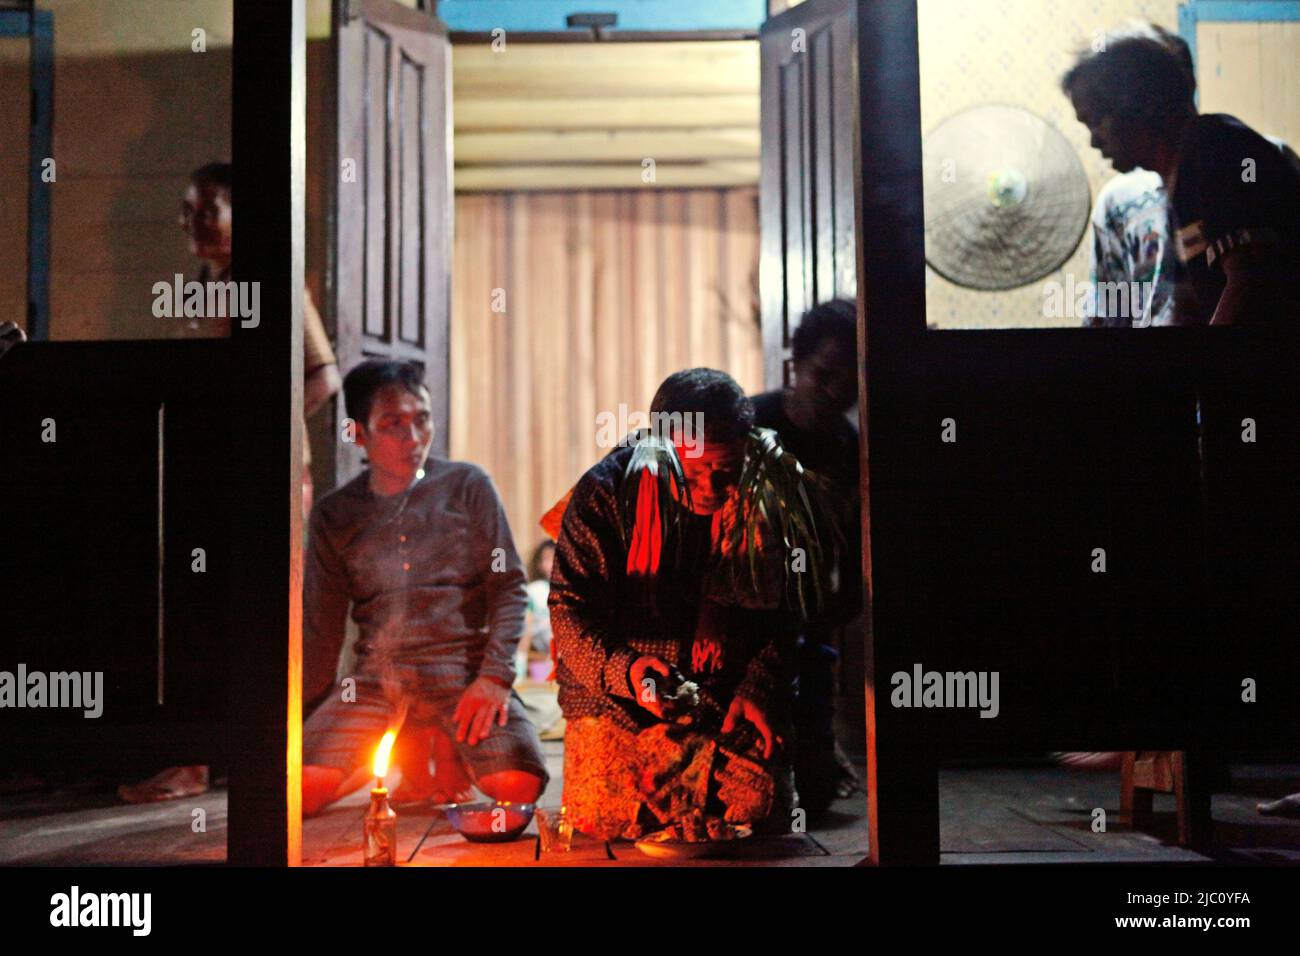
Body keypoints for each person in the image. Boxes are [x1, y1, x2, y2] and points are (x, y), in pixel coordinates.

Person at [118, 162, 342, 804]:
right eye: (186, 209)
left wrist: (258, 430)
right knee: (196, 608)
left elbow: (323, 377)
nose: (191, 221)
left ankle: (253, 760)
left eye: (207, 208)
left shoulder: (273, 281)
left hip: (262, 476)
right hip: (206, 469)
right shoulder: (203, 283)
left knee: (256, 614)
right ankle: (197, 757)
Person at [550, 369, 808, 840]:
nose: (711, 488)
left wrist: (757, 686)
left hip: (722, 693)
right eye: (692, 473)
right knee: (609, 820)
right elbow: (570, 613)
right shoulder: (606, 495)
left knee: (756, 811)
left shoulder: (765, 494)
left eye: (725, 471)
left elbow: (787, 611)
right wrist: (630, 671)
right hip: (619, 697)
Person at [300, 360, 547, 816]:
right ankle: (399, 751)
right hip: (377, 684)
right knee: (294, 795)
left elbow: (510, 587)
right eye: (393, 424)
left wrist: (494, 678)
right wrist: (305, 717)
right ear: (358, 433)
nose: (413, 439)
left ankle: (444, 745)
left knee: (518, 788)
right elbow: (321, 627)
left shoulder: (467, 486)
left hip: (465, 675)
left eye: (422, 419)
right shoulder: (337, 514)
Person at [1063, 22, 1300, 327]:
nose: (1095, 141)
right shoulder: (1182, 172)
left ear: (1135, 104)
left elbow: (1250, 280)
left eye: (1095, 120)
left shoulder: (1215, 148)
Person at [749, 300, 863, 812]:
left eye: (852, 380)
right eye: (825, 374)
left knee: (812, 797)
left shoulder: (849, 445)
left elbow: (855, 535)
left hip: (810, 619)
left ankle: (816, 749)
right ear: (796, 364)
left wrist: (846, 595)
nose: (837, 390)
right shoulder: (752, 423)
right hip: (740, 614)